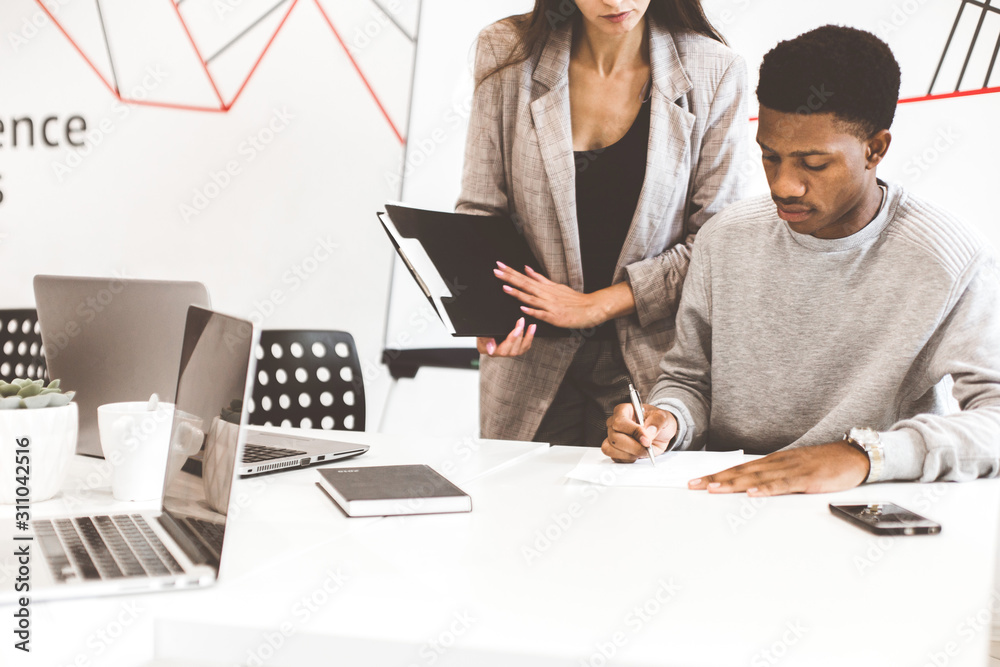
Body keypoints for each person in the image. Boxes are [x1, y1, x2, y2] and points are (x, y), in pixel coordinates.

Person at [603, 25, 1000, 494]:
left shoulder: (946, 257)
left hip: (869, 505)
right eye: (770, 157)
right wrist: (666, 420)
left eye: (813, 164)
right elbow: (688, 381)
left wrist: (864, 456)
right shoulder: (724, 239)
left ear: (876, 149)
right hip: (728, 500)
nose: (784, 185)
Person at [456, 1, 749, 445]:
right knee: (517, 507)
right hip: (529, 359)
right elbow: (480, 211)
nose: (614, 2)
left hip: (651, 364)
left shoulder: (715, 70)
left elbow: (714, 245)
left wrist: (597, 304)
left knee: (629, 511)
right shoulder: (507, 50)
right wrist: (487, 310)